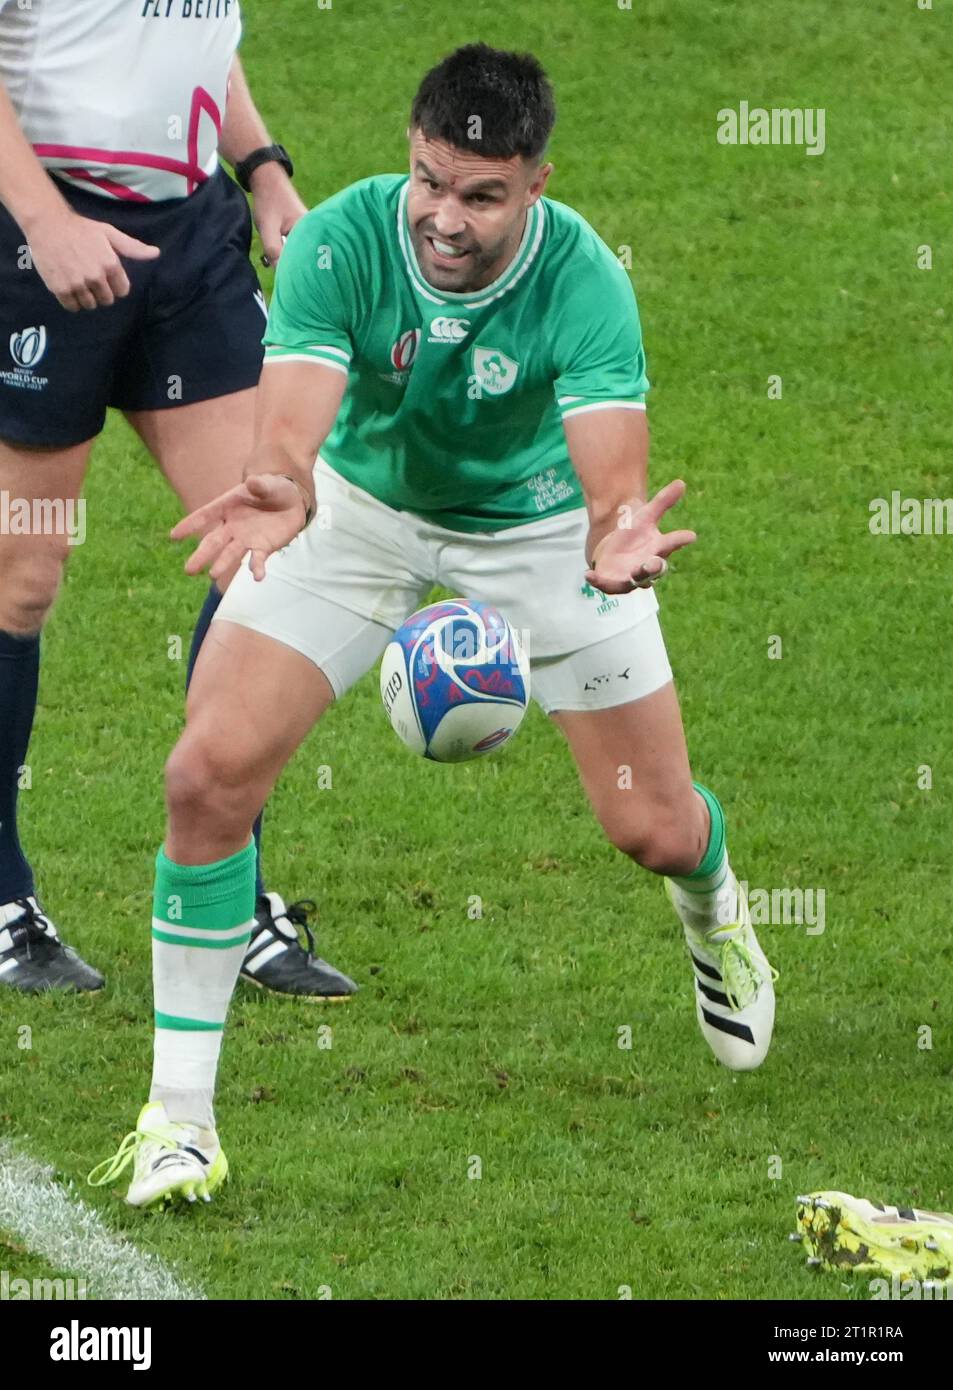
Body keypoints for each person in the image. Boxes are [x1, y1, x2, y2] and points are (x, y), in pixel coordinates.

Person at [88, 44, 777, 1209]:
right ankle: (180, 1120)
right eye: (429, 180)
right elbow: (295, 406)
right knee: (206, 776)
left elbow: (612, 469)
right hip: (357, 511)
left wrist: (613, 536)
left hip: (537, 530)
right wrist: (278, 478)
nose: (444, 218)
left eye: (480, 194)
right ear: (407, 156)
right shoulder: (341, 239)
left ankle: (714, 910)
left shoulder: (584, 282)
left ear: (535, 185)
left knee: (650, 827)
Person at [0, 0, 356, 999]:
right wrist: (45, 222)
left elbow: (196, 40)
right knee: (20, 580)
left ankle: (220, 890)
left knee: (268, 531)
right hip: (37, 239)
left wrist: (267, 173)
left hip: (191, 236)